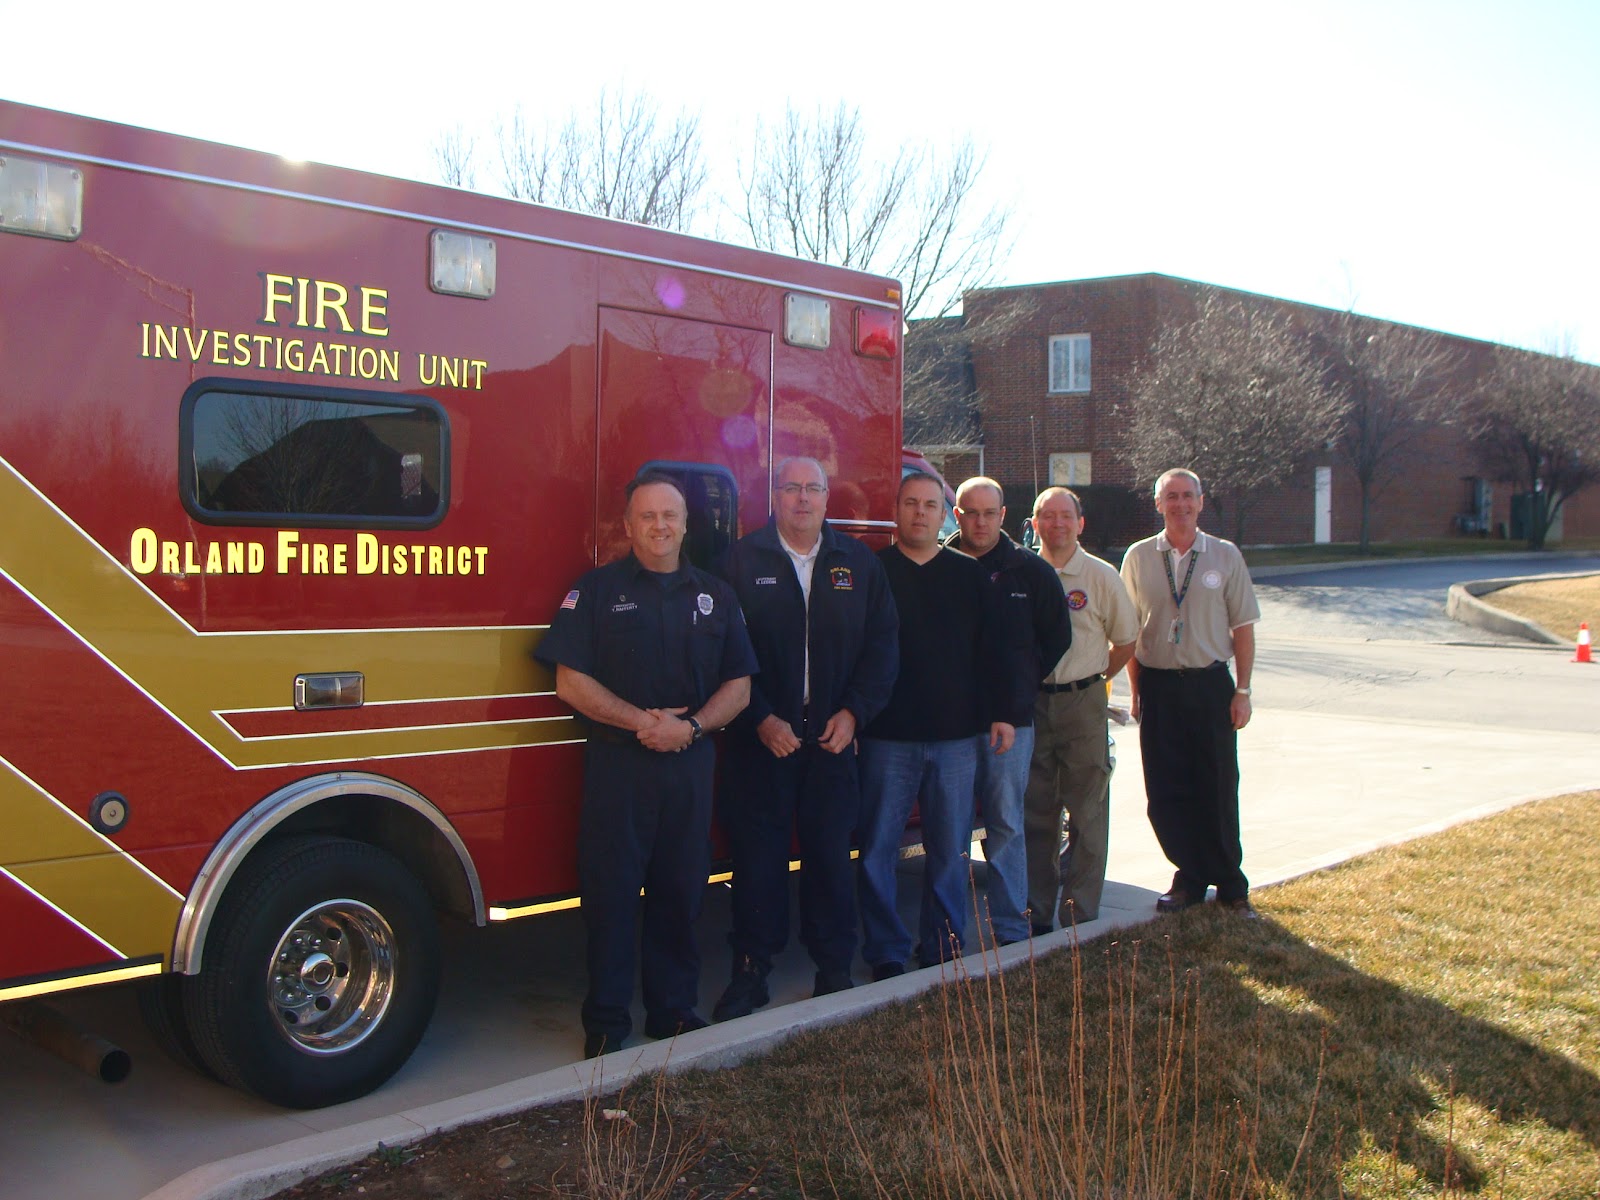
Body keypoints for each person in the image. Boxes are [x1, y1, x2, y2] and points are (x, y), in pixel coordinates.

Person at [535, 473, 758, 1057]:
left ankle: (672, 1010)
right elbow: (569, 682)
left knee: (681, 891)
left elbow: (740, 685)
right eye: (648, 516)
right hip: (618, 767)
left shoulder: (716, 596)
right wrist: (642, 723)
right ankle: (607, 1021)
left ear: (686, 524)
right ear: (628, 525)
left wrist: (688, 728)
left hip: (689, 766)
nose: (661, 526)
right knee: (610, 896)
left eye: (671, 516)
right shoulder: (597, 592)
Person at [711, 457, 899, 1020]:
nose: (801, 499)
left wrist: (854, 715)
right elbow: (723, 653)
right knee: (758, 862)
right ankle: (751, 971)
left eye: (812, 489)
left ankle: (834, 966)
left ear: (825, 499)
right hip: (761, 742)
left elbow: (883, 650)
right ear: (773, 495)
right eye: (790, 488)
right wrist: (760, 719)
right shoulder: (741, 561)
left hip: (831, 742)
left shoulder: (857, 563)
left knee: (829, 858)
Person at [857, 472, 1012, 977]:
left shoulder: (969, 576)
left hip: (955, 740)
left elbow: (994, 652)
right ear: (896, 510)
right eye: (910, 503)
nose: (921, 512)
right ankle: (885, 950)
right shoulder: (872, 572)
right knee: (878, 848)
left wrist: (1001, 713)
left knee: (950, 849)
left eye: (929, 504)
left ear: (942, 514)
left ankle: (944, 944)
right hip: (885, 738)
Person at [1119, 469, 1261, 917]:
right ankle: (1189, 877)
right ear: (1158, 504)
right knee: (1165, 789)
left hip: (1210, 686)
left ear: (1200, 502)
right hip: (1160, 685)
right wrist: (1137, 691)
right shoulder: (1140, 557)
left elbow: (1243, 629)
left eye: (1187, 496)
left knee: (1216, 785)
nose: (1180, 504)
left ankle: (1232, 884)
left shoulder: (1224, 555)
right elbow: (1127, 631)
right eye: (1170, 497)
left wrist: (1242, 690)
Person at [945, 477, 1072, 945]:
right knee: (951, 832)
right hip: (951, 725)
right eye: (970, 513)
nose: (980, 522)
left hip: (1011, 725)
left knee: (1005, 826)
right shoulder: (939, 565)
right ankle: (948, 931)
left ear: (1003, 515)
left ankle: (1012, 929)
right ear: (956, 516)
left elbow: (1057, 637)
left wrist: (1020, 685)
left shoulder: (1029, 571)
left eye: (989, 513)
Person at [1023, 487, 1138, 930]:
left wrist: (1094, 680)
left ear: (1080, 523)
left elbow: (1126, 639)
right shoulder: (1023, 572)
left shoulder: (1100, 576)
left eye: (1064, 516)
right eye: (1046, 516)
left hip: (1083, 704)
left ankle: (1080, 912)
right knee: (1037, 812)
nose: (1056, 524)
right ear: (1034, 525)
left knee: (1088, 811)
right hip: (1033, 704)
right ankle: (1036, 910)